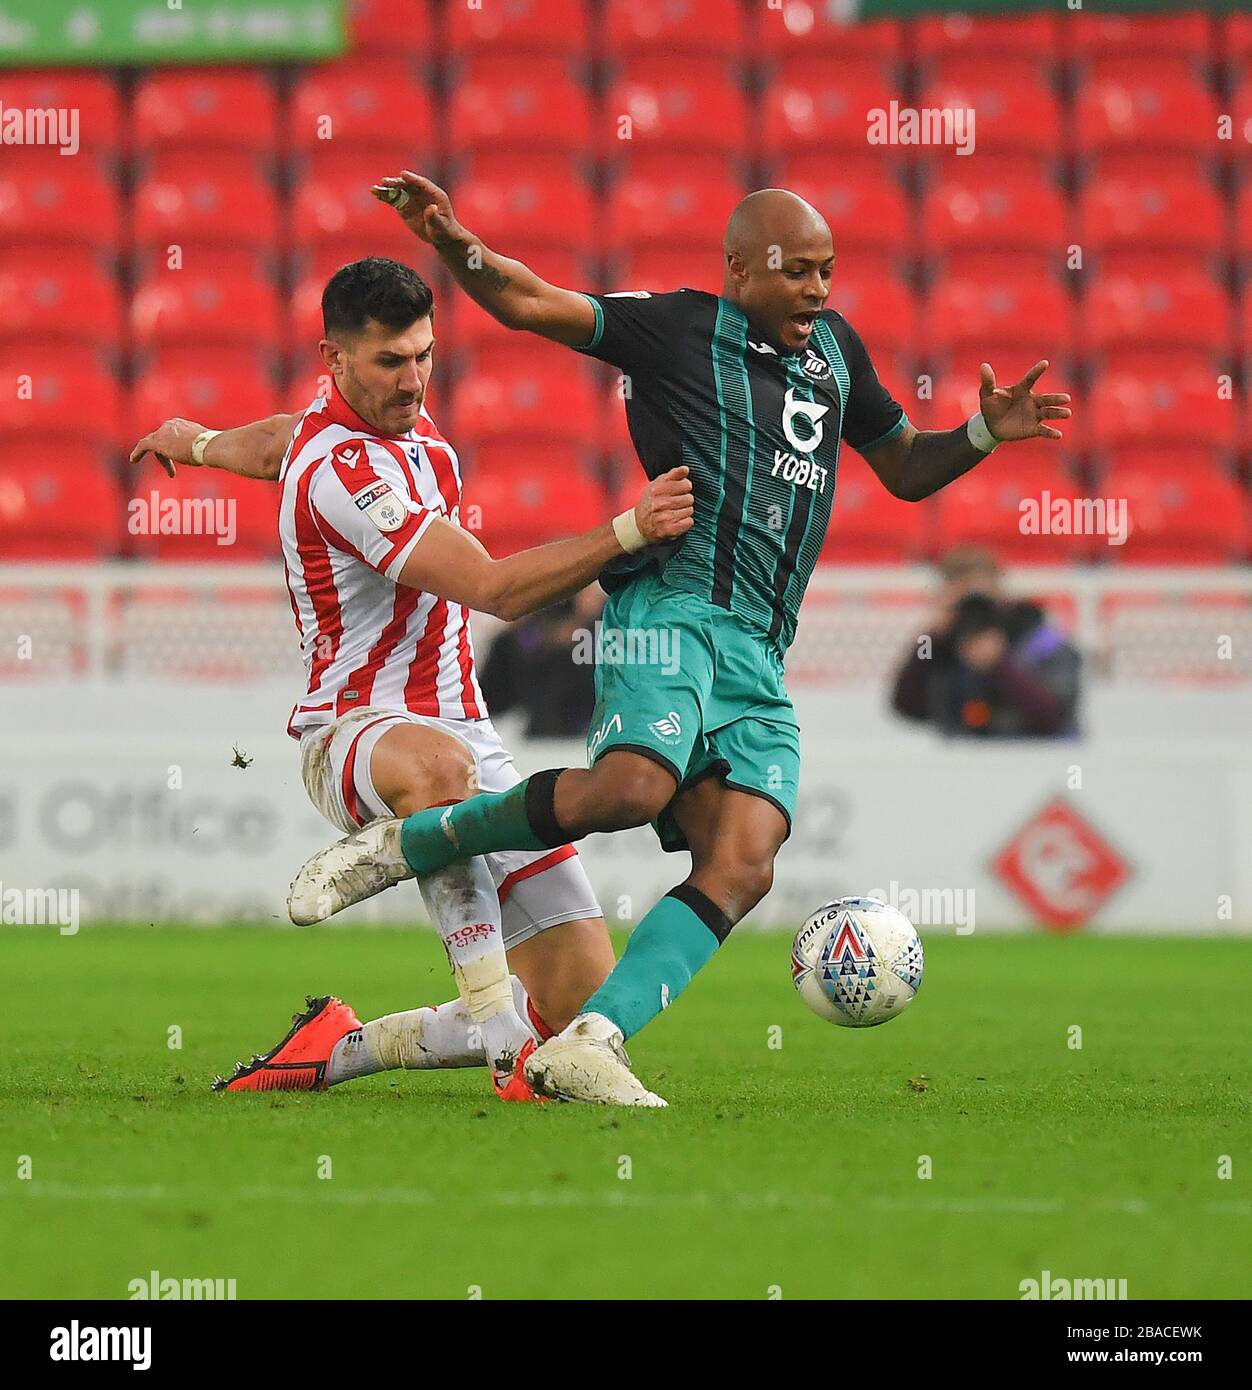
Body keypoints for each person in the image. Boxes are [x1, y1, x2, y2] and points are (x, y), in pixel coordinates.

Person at [289, 176, 1073, 1107]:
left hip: (758, 644)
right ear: (740, 269)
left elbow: (903, 468)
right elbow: (528, 301)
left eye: (828, 271)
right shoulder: (674, 330)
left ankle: (591, 1040)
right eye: (797, 272)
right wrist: (456, 242)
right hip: (672, 608)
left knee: (746, 854)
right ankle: (414, 844)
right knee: (631, 790)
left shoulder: (834, 352)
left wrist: (982, 432)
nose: (818, 289)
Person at [130, 256, 693, 1100]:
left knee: (576, 991)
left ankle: (341, 1048)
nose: (414, 378)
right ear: (336, 358)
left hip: (467, 736)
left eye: (425, 355)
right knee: (438, 772)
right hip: (357, 733)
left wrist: (199, 442)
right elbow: (495, 590)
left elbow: (278, 438)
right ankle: (489, 1015)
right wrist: (627, 529)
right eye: (391, 362)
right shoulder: (347, 474)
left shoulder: (402, 438)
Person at [891, 547, 1081, 737]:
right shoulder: (942, 644)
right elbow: (907, 706)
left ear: (999, 591)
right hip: (966, 757)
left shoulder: (1040, 639)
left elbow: (1054, 716)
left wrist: (999, 665)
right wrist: (929, 638)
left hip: (1037, 756)